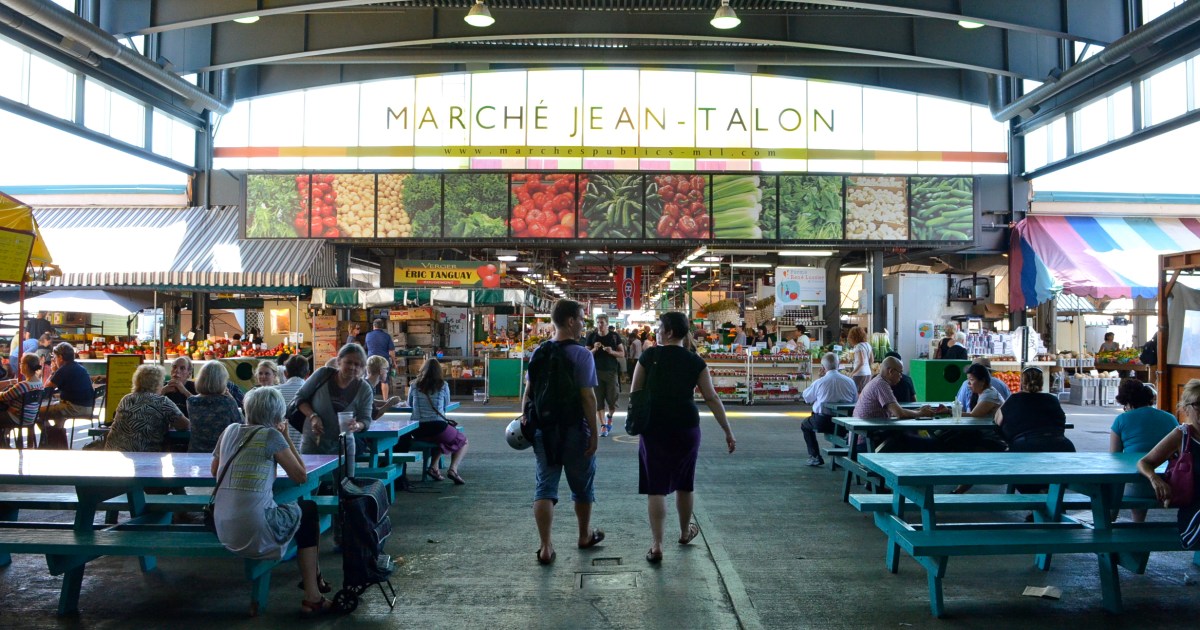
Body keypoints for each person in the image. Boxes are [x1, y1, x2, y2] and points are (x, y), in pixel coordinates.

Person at [210, 387, 332, 615]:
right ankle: (312, 595)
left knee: (298, 511)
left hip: (223, 527)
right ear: (278, 416)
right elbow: (301, 476)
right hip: (255, 532)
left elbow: (214, 469)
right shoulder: (271, 436)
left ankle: (315, 583)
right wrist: (285, 436)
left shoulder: (230, 431)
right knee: (309, 510)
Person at [632, 311, 735, 564]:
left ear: (668, 332)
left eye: (659, 328)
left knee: (656, 487)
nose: (656, 331)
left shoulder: (649, 356)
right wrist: (727, 431)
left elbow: (635, 392)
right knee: (684, 482)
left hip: (654, 425)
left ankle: (657, 545)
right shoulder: (695, 361)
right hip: (686, 427)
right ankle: (684, 532)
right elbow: (711, 397)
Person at [521, 299, 603, 566]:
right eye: (581, 319)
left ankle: (545, 547)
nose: (582, 324)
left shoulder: (538, 352)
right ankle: (584, 536)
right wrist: (594, 431)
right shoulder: (582, 354)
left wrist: (527, 420)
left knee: (545, 487)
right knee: (582, 487)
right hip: (574, 430)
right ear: (570, 321)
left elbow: (529, 393)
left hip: (545, 430)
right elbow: (588, 398)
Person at [1137, 378, 1200, 550]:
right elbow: (1145, 462)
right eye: (1198, 404)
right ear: (1186, 408)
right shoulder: (1182, 435)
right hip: (1194, 512)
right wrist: (1155, 479)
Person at [296, 343, 374, 471]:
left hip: (343, 445)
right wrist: (313, 416)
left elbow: (365, 420)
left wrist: (357, 425)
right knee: (310, 482)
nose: (353, 367)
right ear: (339, 361)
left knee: (343, 484)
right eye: (348, 362)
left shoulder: (364, 389)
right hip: (313, 441)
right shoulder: (323, 375)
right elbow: (300, 398)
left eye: (358, 364)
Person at [1110, 378, 1178, 522]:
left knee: (1121, 478)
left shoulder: (1122, 420)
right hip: (1170, 484)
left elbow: (1114, 457)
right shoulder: (1170, 418)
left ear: (1127, 403)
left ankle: (1113, 519)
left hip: (1137, 487)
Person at [852, 356, 937, 453]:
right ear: (890, 371)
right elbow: (899, 413)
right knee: (929, 444)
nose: (901, 376)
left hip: (870, 435)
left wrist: (918, 411)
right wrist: (921, 413)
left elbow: (895, 411)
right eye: (900, 372)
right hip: (867, 440)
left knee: (915, 439)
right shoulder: (881, 385)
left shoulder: (878, 382)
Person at [407, 358, 469, 484]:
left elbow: (409, 403)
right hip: (438, 427)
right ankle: (453, 469)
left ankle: (433, 467)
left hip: (417, 429)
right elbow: (446, 404)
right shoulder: (443, 385)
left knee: (441, 440)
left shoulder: (414, 384)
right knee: (463, 440)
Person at [105, 364, 189, 452]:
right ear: (158, 383)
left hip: (115, 453)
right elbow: (184, 425)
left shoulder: (127, 398)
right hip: (145, 456)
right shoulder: (162, 401)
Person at [801, 352, 858, 466]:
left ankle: (815, 456)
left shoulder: (820, 382)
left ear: (822, 367)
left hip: (823, 421)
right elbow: (855, 400)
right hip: (844, 422)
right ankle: (839, 456)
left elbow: (807, 397)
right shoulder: (849, 381)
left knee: (805, 425)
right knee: (839, 430)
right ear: (839, 364)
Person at [41, 343, 97, 448]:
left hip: (74, 407)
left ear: (61, 357)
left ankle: (49, 439)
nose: (54, 360)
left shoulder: (64, 369)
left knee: (38, 413)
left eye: (55, 357)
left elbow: (47, 388)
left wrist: (53, 372)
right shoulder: (79, 367)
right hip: (87, 407)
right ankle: (57, 441)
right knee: (58, 414)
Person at [186, 362, 243, 454]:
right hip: (222, 453)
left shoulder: (191, 401)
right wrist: (231, 398)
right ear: (222, 381)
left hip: (195, 452)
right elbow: (239, 426)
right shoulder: (227, 402)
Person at [584, 313, 624, 438]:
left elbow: (622, 354)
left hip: (611, 372)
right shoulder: (592, 336)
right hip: (595, 372)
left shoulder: (614, 336)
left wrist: (611, 351)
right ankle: (603, 425)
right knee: (598, 401)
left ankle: (610, 416)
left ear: (607, 323)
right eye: (598, 322)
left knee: (612, 401)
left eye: (602, 322)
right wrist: (594, 349)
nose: (600, 325)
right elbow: (586, 355)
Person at [0, 354, 44, 446]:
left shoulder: (23, 385)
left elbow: (3, 397)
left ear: (26, 366)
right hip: (31, 418)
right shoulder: (40, 384)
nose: (19, 365)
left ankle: (3, 445)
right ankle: (4, 443)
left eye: (21, 363)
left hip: (17, 417)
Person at [364, 318, 396, 399]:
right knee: (384, 381)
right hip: (383, 361)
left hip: (371, 361)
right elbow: (391, 351)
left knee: (370, 381)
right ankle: (385, 400)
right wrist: (395, 362)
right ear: (382, 326)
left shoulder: (368, 335)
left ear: (373, 326)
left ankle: (371, 400)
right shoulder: (387, 336)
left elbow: (366, 347)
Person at [847, 326, 873, 392]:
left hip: (859, 374)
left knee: (857, 394)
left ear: (853, 337)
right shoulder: (867, 345)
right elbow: (872, 360)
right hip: (868, 373)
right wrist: (867, 367)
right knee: (865, 394)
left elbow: (861, 362)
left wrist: (852, 373)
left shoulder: (858, 347)